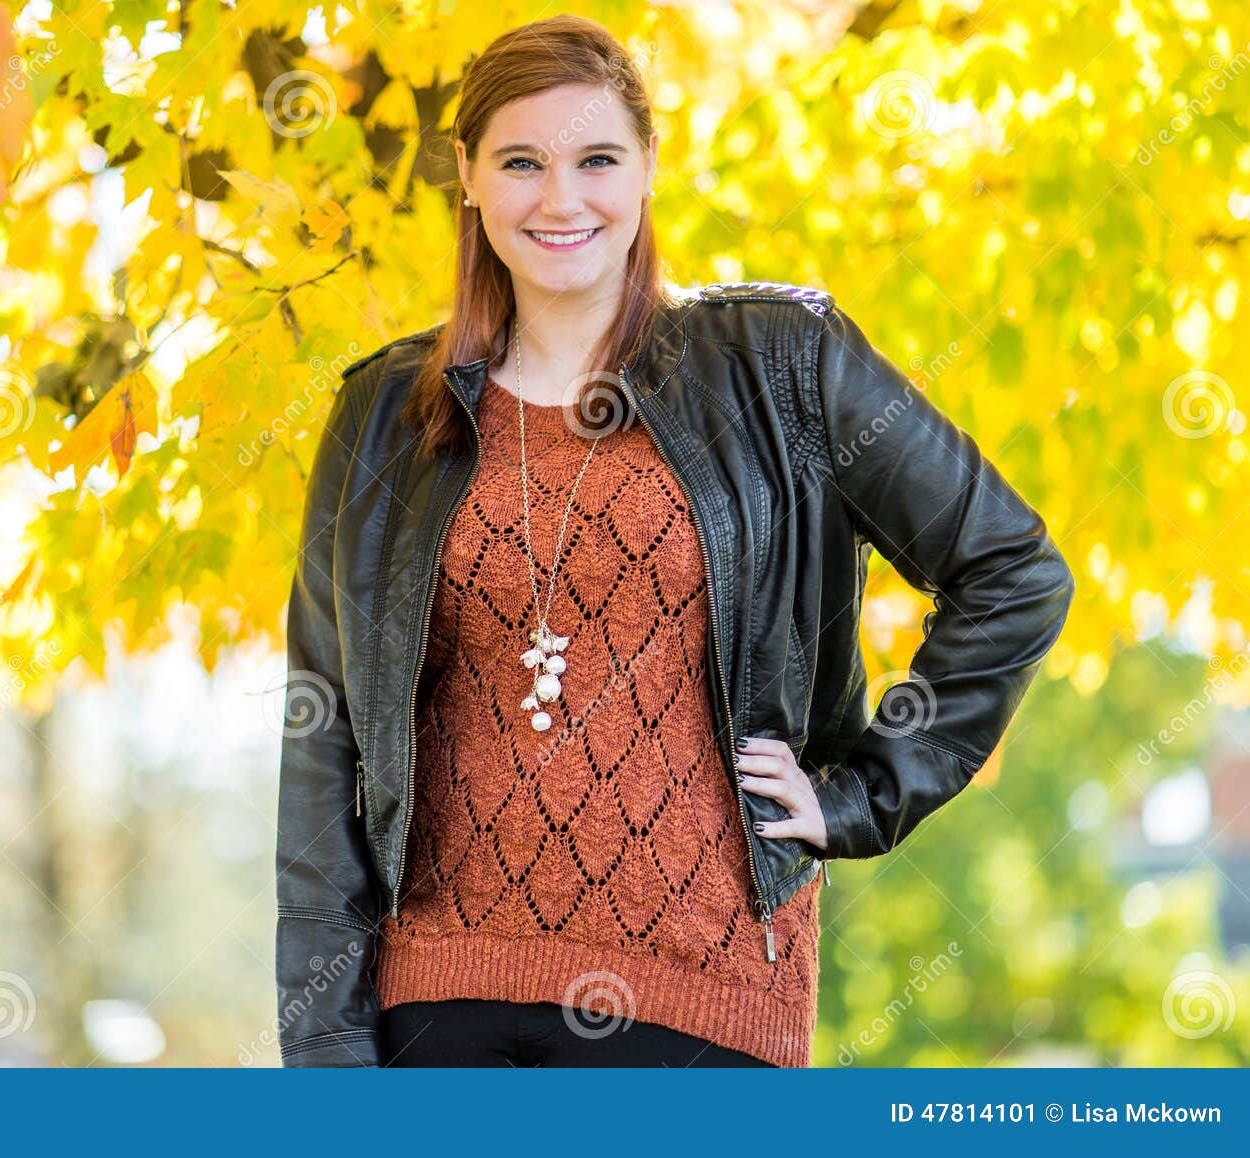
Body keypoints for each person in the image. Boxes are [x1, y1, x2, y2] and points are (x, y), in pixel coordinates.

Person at [273, 14, 1074, 1068]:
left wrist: (871, 791)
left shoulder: (779, 365)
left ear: (647, 167)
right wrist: (323, 1054)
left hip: (702, 1002)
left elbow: (1010, 569)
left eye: (596, 159)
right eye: (521, 162)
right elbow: (324, 732)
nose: (561, 198)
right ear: (467, 176)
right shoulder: (381, 413)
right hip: (435, 1004)